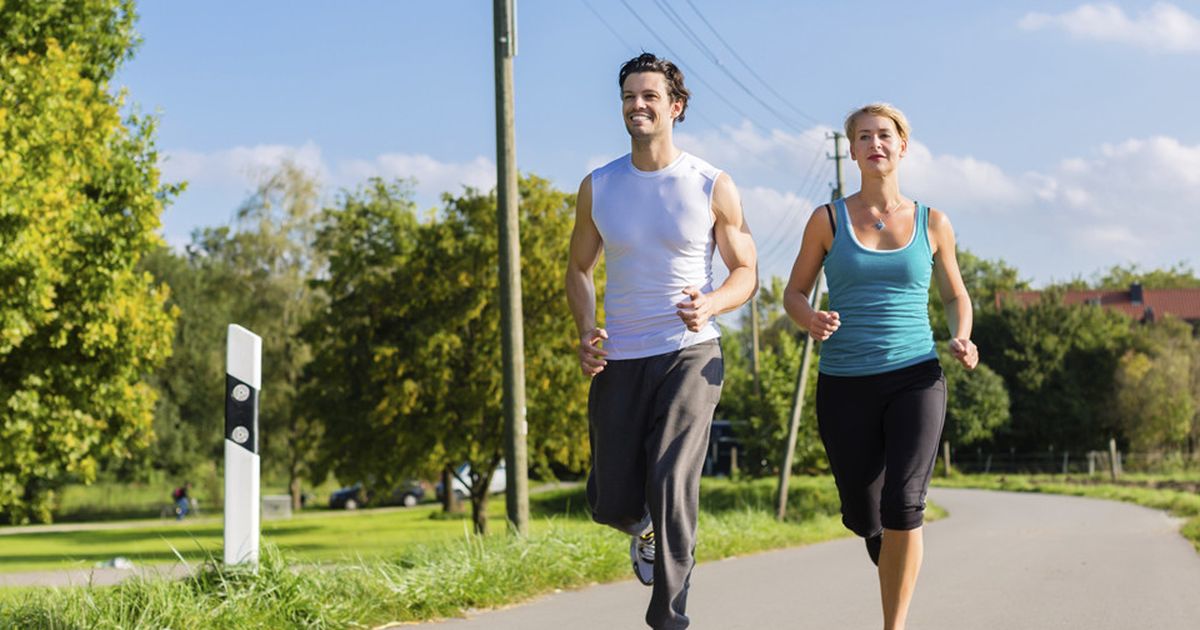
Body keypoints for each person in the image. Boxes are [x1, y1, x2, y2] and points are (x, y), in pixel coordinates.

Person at [565, 52, 757, 629]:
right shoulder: (599, 186)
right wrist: (585, 331)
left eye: (649, 96)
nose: (637, 105)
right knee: (611, 501)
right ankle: (641, 529)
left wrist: (713, 302)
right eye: (629, 96)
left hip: (690, 352)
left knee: (673, 480)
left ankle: (668, 616)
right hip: (621, 356)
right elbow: (578, 269)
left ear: (675, 107)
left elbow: (746, 272)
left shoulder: (710, 184)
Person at [783, 103, 978, 630]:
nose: (875, 144)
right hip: (845, 382)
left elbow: (956, 294)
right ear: (852, 150)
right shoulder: (827, 220)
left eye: (885, 135)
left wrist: (962, 337)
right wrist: (810, 318)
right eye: (864, 137)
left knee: (904, 504)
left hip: (917, 375)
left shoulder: (933, 222)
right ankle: (889, 550)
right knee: (866, 516)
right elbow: (793, 292)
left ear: (903, 145)